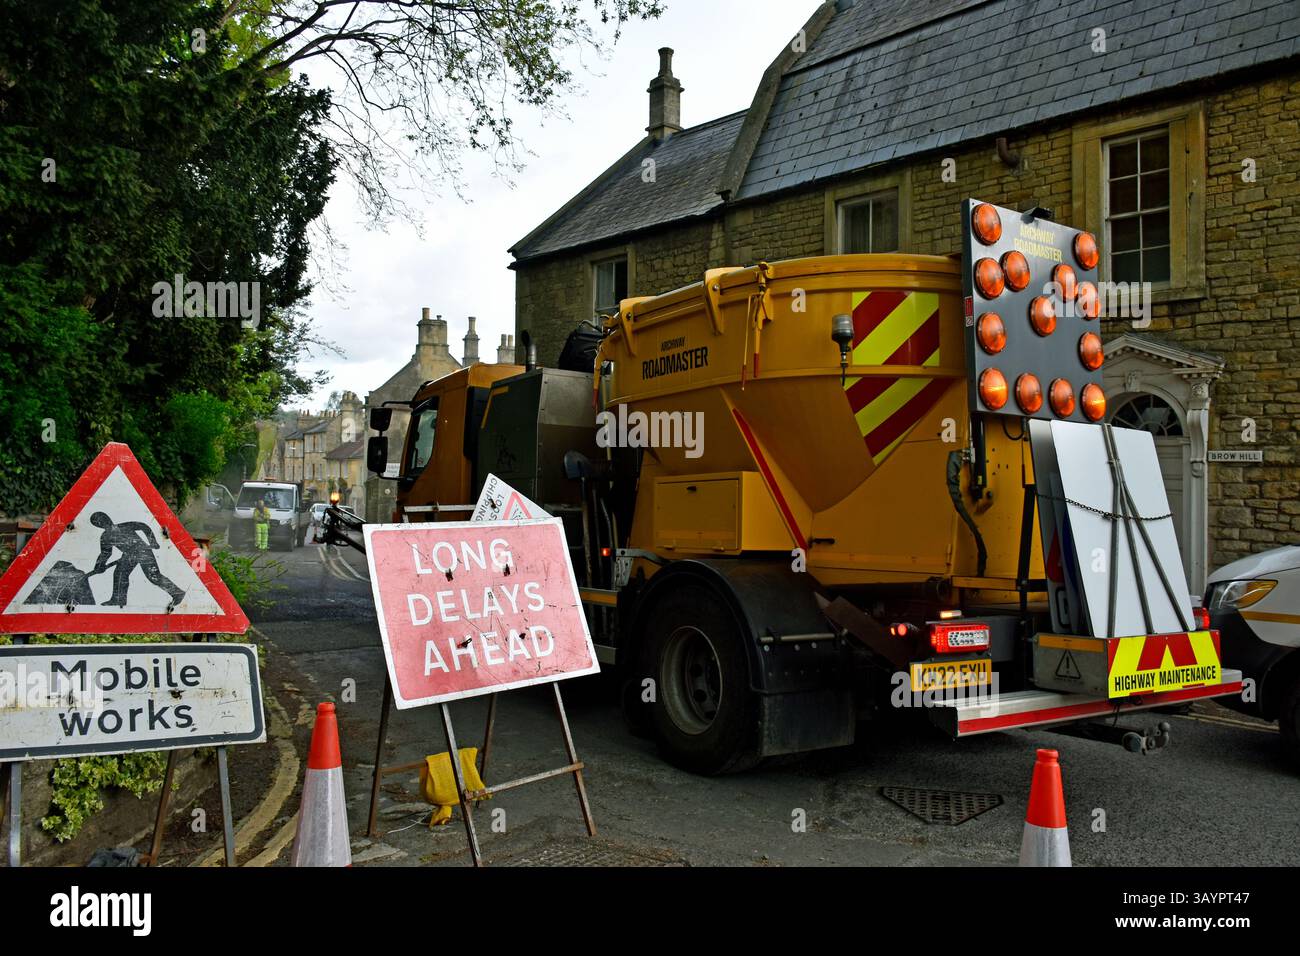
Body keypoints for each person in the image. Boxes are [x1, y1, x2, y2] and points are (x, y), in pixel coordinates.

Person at [88, 511, 186, 608]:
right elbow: (106, 553)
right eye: (98, 522)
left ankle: (177, 593)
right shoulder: (105, 537)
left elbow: (143, 526)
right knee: (120, 573)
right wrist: (99, 566)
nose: (102, 523)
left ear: (107, 518)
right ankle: (118, 600)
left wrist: (152, 541)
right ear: (98, 525)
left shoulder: (124, 526)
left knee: (153, 575)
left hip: (142, 551)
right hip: (128, 555)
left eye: (103, 519)